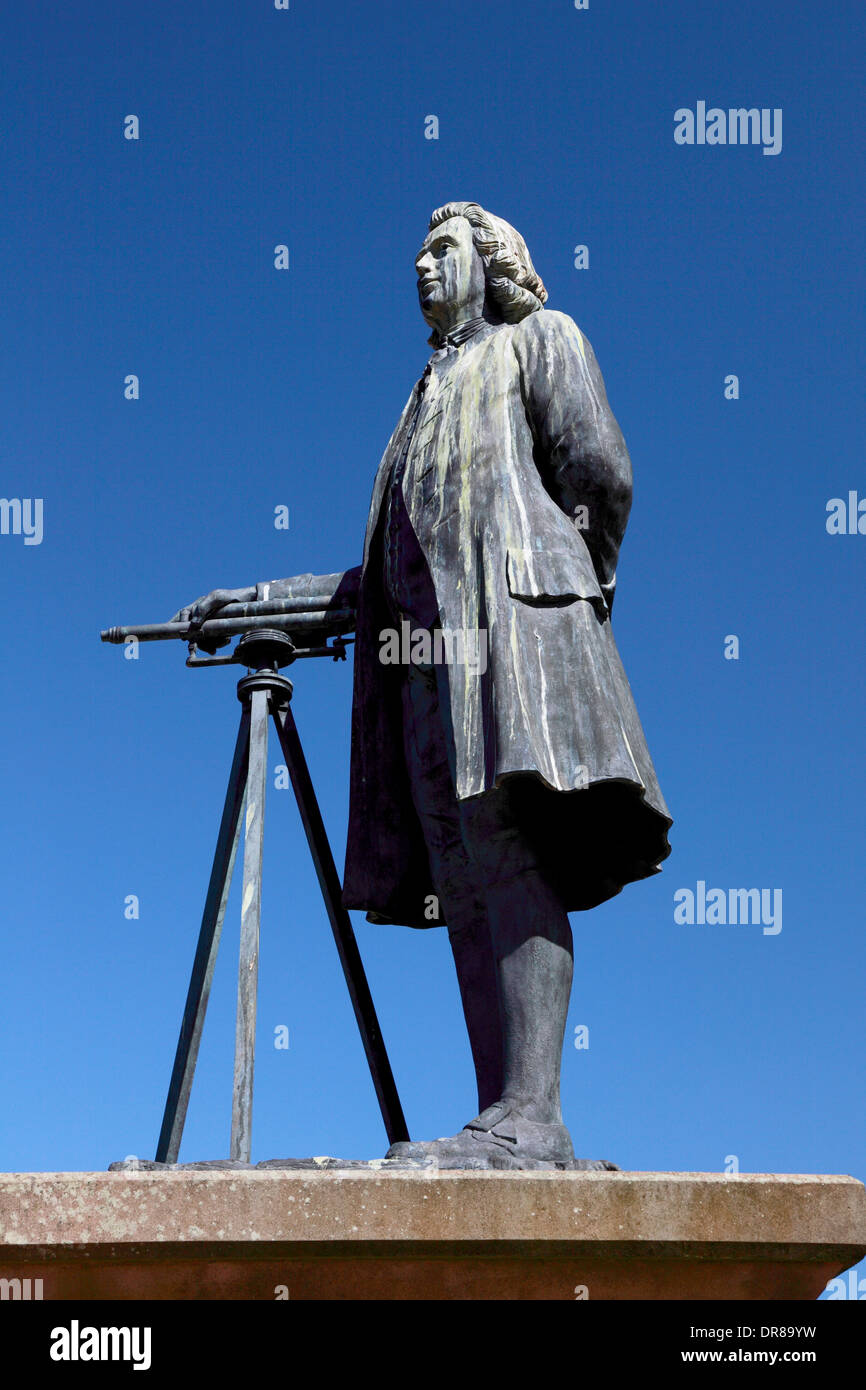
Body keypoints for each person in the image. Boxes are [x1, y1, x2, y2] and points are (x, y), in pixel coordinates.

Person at [171, 202, 672, 1169]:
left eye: (442, 249)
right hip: (425, 678)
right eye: (417, 253)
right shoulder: (417, 407)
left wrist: (566, 590)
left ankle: (535, 1115)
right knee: (466, 874)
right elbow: (379, 573)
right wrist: (266, 598)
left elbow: (600, 472)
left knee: (513, 850)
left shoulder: (539, 342)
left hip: (513, 641)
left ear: (493, 265)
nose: (421, 265)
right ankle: (501, 1118)